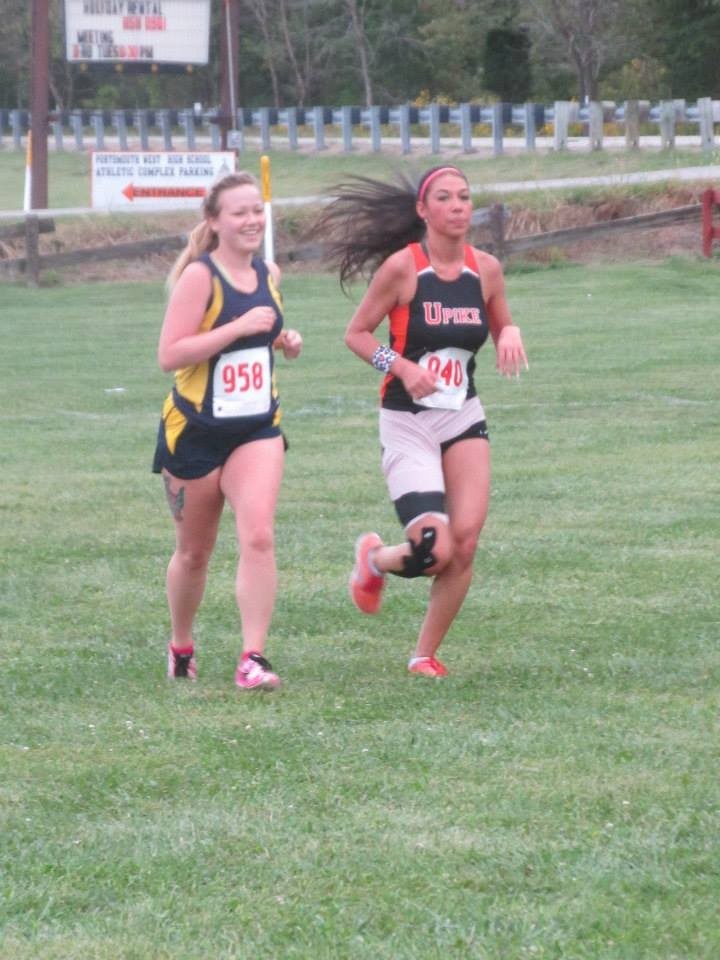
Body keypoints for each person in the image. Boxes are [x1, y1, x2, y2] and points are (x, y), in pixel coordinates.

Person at [313, 165, 527, 678]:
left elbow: (499, 321)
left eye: (465, 197)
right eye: (445, 198)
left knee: (467, 544)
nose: (458, 206)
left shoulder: (487, 270)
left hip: (462, 417)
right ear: (423, 211)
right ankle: (374, 561)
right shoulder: (403, 269)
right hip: (407, 423)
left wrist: (511, 332)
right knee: (435, 550)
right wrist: (403, 366)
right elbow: (357, 335)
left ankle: (422, 655)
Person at [153, 171, 302, 690]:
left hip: (257, 427)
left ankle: (252, 658)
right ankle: (181, 644)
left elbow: (265, 329)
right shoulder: (200, 277)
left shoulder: (269, 272)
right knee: (195, 553)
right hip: (194, 431)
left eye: (257, 210)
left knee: (258, 535)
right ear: (214, 221)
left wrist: (284, 339)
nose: (251, 220)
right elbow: (169, 354)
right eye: (239, 212)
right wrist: (237, 329)